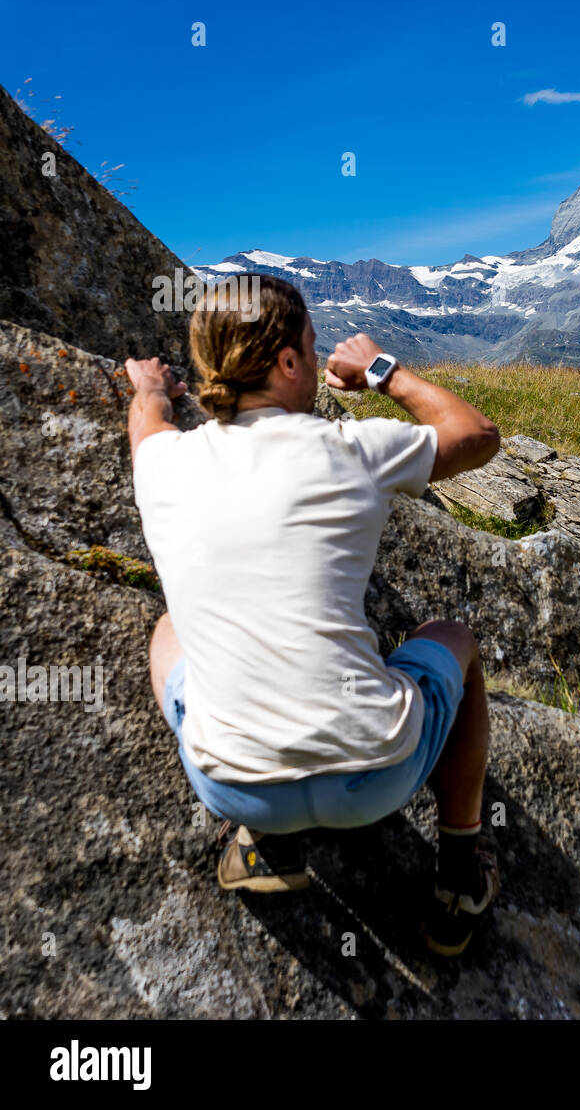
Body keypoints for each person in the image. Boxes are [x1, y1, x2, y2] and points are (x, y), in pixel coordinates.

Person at [126, 274, 502, 957]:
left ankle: (267, 845)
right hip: (374, 775)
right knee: (452, 639)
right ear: (288, 362)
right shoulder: (351, 449)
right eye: (311, 343)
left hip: (236, 787)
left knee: (166, 632)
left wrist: (150, 389)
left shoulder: (163, 463)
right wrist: (382, 370)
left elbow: (146, 425)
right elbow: (476, 436)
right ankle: (458, 871)